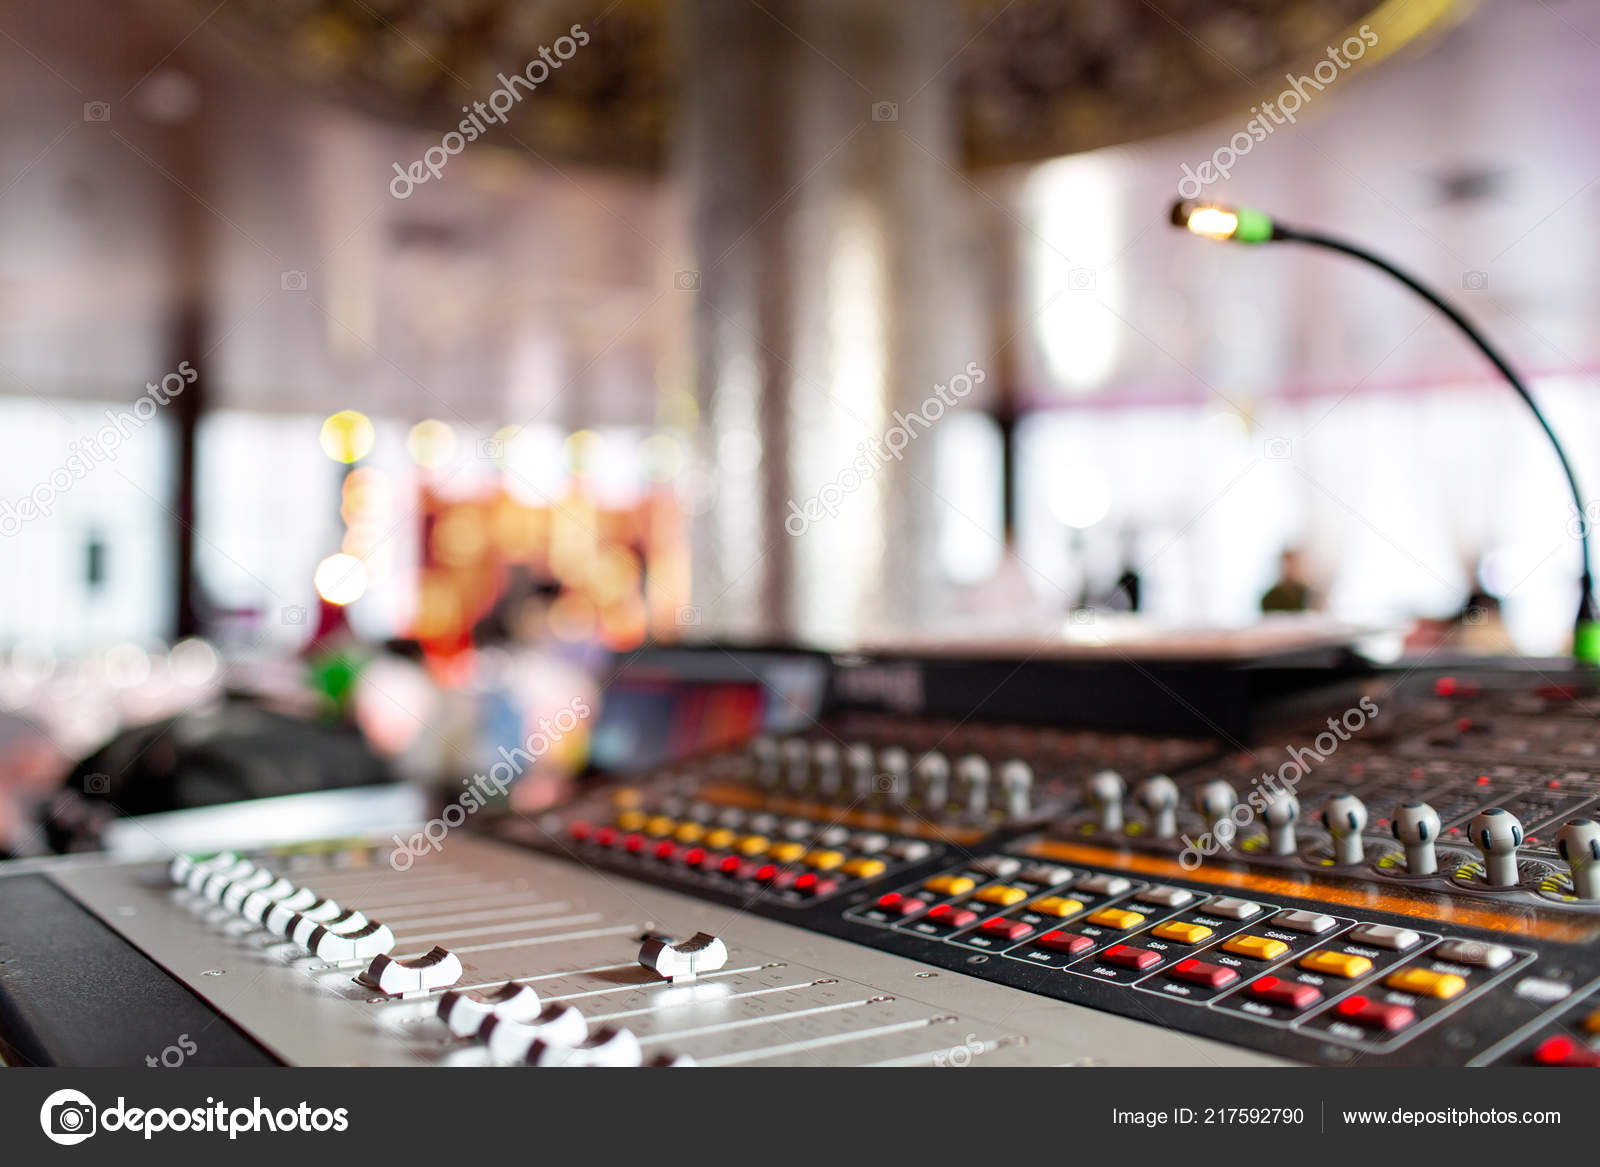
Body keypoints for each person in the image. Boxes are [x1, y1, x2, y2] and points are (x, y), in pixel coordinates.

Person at [1261, 548, 1314, 613]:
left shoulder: (1307, 595)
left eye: (1294, 564)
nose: (1290, 569)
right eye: (1287, 564)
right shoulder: (1269, 598)